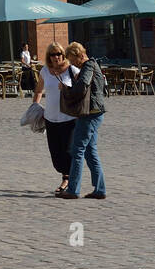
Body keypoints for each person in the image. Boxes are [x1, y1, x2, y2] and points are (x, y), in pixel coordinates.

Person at [59, 42, 107, 199]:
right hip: (96, 112)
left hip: (89, 114)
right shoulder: (91, 65)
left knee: (77, 150)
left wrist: (66, 89)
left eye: (72, 60)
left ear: (79, 54)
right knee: (90, 150)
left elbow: (82, 87)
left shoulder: (88, 66)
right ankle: (100, 189)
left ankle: (73, 189)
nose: (73, 63)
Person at [33, 43, 77, 195]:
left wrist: (69, 89)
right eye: (53, 54)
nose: (56, 57)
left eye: (59, 53)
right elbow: (39, 90)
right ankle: (66, 176)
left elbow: (84, 87)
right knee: (56, 154)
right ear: (48, 57)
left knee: (68, 151)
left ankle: (68, 180)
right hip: (50, 118)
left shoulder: (71, 70)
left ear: (63, 55)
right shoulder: (45, 71)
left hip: (69, 118)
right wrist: (35, 106)